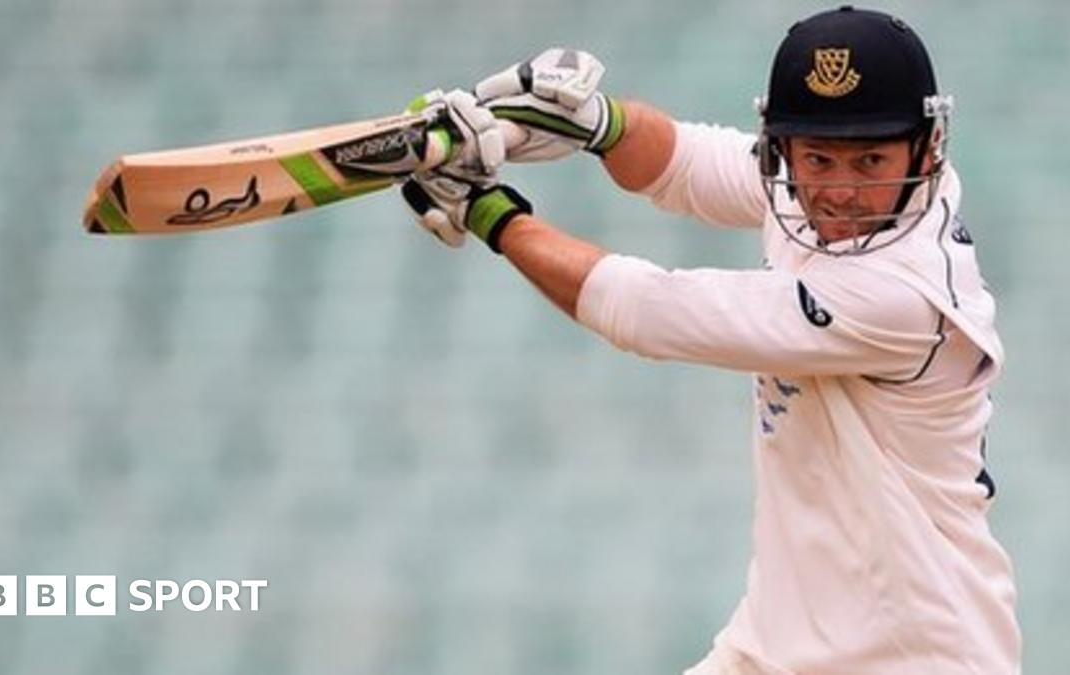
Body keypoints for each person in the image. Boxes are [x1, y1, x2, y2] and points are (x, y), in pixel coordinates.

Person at [400, 6, 1021, 674]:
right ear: (783, 149)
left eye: (870, 158)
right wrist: (595, 121)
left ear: (926, 148)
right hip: (777, 643)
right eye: (818, 158)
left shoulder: (904, 294)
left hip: (916, 654)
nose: (841, 192)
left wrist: (490, 212)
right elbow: (687, 163)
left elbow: (652, 309)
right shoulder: (831, 193)